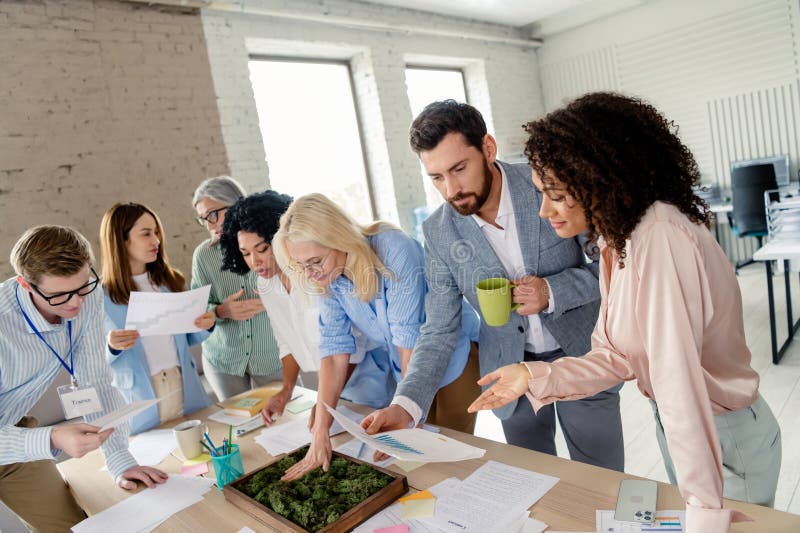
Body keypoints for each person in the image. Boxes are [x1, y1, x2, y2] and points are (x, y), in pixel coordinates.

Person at [468, 92, 781, 532]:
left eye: (555, 194)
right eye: (542, 194)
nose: (544, 210)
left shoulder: (661, 236)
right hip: (691, 434)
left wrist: (706, 514)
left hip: (722, 437)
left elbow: (678, 383)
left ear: (598, 179)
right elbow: (615, 355)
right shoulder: (620, 240)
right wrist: (533, 375)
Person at [362, 100, 624, 472]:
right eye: (436, 177)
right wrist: (404, 405)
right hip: (506, 373)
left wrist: (553, 291)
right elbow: (438, 329)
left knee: (603, 480)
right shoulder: (438, 231)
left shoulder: (547, 186)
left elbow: (612, 265)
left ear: (488, 148)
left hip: (581, 356)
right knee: (534, 483)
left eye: (459, 169)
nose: (451, 189)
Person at [273, 193, 480, 481]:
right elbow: (334, 353)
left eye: (315, 261)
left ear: (339, 238)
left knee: (446, 460)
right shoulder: (327, 278)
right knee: (418, 461)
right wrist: (321, 432)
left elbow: (409, 341)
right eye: (301, 265)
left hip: (453, 361)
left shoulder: (392, 249)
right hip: (407, 371)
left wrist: (407, 415)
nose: (309, 274)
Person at [0, 225, 167, 531]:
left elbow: (96, 383)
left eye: (81, 287)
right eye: (59, 296)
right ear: (25, 284)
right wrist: (51, 437)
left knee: (73, 526)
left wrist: (120, 459)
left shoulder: (86, 295)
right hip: (18, 438)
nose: (76, 303)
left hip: (12, 433)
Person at [100, 203, 215, 434]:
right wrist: (111, 346)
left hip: (184, 383)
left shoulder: (171, 281)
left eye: (156, 232)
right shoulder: (100, 297)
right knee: (157, 464)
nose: (156, 241)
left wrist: (207, 324)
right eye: (146, 234)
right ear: (121, 240)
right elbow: (92, 360)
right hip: (141, 395)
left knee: (202, 449)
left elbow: (187, 337)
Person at [219, 190, 316, 423]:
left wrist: (326, 403)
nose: (255, 262)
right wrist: (286, 391)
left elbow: (345, 347)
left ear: (282, 237)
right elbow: (286, 342)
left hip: (362, 377)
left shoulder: (312, 275)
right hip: (331, 385)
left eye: (262, 249)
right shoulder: (266, 284)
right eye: (246, 254)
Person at [191, 176, 283, 400]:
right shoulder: (203, 255)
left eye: (214, 214)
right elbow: (196, 310)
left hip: (271, 355)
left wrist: (273, 301)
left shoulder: (272, 242)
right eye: (203, 219)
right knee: (236, 428)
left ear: (236, 204)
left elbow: (299, 291)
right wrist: (222, 311)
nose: (210, 225)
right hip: (224, 359)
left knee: (286, 420)